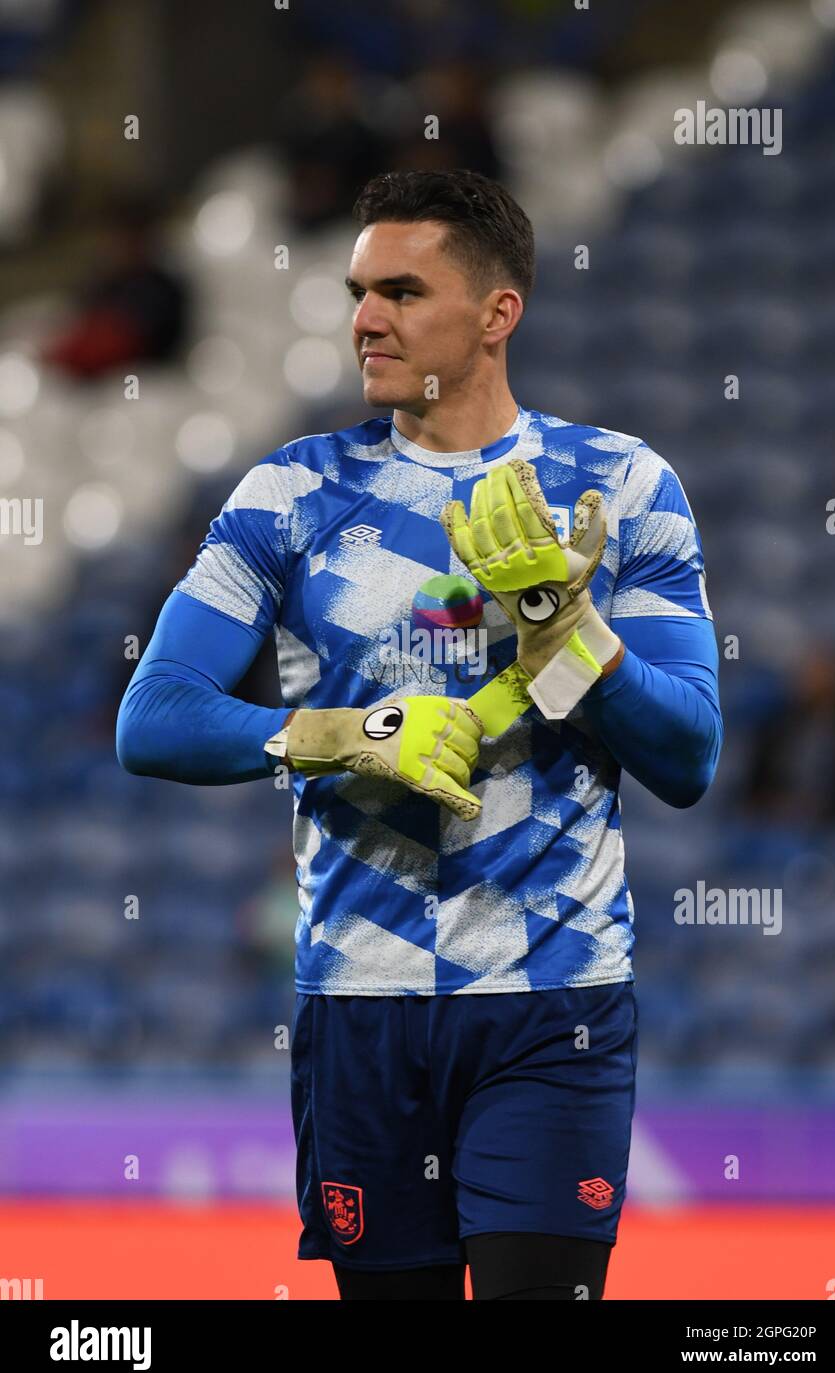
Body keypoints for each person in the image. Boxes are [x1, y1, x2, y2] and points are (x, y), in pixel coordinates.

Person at [116, 168, 722, 1300]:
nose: (364, 318)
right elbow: (153, 718)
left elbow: (688, 754)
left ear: (497, 313)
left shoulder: (617, 485)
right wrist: (344, 737)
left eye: (401, 289)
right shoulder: (288, 494)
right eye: (357, 290)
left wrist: (562, 629)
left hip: (552, 1002)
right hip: (359, 1005)